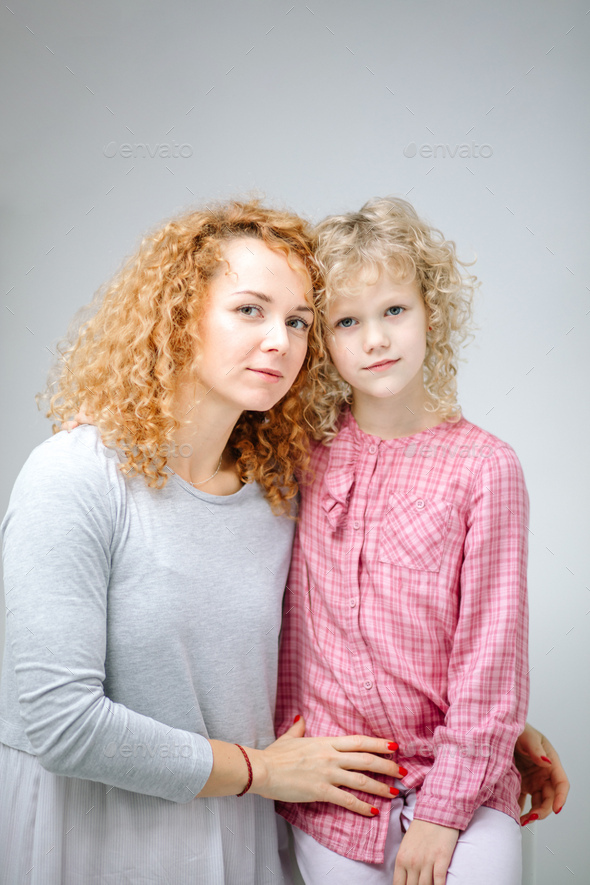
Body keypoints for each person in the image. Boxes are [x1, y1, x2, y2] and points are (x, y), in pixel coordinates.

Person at [2, 197, 567, 885]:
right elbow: (61, 721)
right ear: (180, 316)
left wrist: (497, 730)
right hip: (109, 828)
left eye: (298, 320)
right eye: (250, 310)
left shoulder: (274, 484)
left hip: (239, 829)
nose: (280, 339)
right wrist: (263, 769)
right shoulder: (81, 474)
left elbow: (375, 622)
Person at [274, 197, 564, 884]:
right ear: (323, 340)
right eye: (348, 321)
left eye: (394, 310)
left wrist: (443, 812)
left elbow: (491, 652)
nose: (375, 339)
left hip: (456, 780)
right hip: (333, 791)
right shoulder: (299, 458)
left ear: (431, 310)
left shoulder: (485, 467)